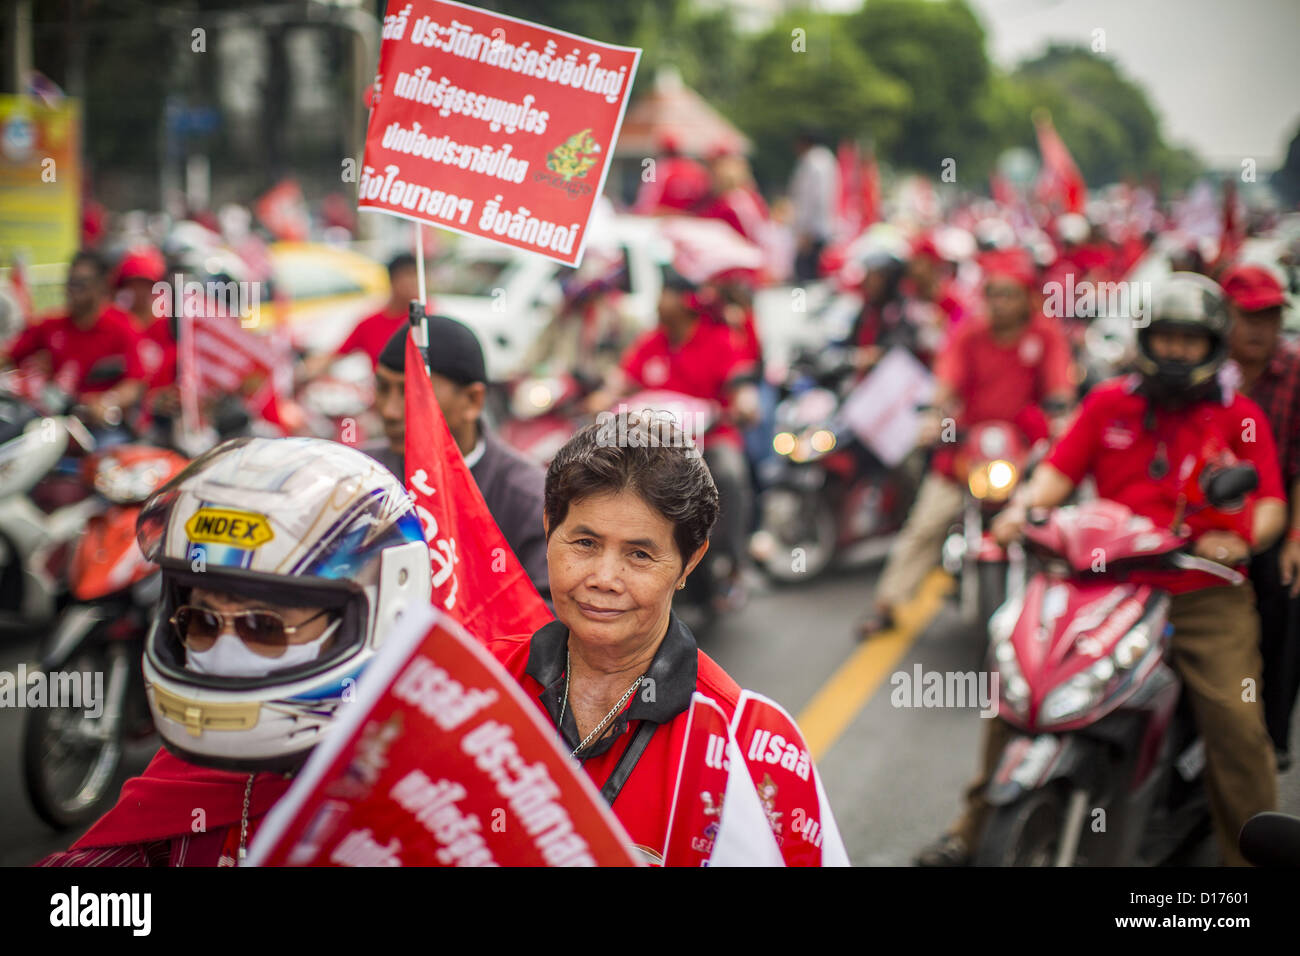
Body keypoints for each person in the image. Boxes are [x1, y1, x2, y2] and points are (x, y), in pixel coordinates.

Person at [915, 273, 1287, 867]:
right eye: (1166, 338)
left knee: (1238, 727)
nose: (1175, 351)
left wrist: (1236, 542)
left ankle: (1251, 859)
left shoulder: (1238, 417)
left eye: (1189, 342)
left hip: (1199, 589)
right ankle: (972, 826)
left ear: (1212, 345)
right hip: (1105, 581)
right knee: (1022, 680)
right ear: (1147, 339)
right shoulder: (1109, 402)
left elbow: (1268, 507)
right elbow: (1054, 476)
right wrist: (1021, 511)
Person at [37, 437, 431, 866]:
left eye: (264, 625)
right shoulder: (188, 775)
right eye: (200, 621)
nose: (225, 649)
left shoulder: (430, 807)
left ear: (379, 620)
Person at [486, 412, 816, 864]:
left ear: (690, 561)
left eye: (639, 554)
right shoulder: (478, 686)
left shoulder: (750, 745)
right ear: (548, 527)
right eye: (584, 543)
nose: (603, 578)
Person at [856, 249, 1075, 639]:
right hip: (967, 448)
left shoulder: (1046, 334)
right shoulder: (969, 333)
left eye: (1009, 294)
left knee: (1059, 518)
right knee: (927, 522)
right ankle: (885, 604)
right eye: (993, 294)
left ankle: (1067, 608)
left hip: (1025, 449)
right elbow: (946, 381)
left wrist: (1060, 417)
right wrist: (933, 417)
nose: (1000, 303)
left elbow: (1059, 386)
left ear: (1027, 297)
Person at [586, 268, 759, 610]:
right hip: (654, 443)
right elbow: (620, 381)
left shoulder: (721, 339)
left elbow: (743, 390)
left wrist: (745, 405)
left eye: (665, 293)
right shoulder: (652, 341)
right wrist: (599, 398)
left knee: (730, 475)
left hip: (710, 438)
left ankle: (734, 566)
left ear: (684, 301)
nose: (658, 301)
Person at [368, 320, 550, 603]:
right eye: (382, 388)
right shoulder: (363, 479)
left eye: (410, 393)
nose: (390, 411)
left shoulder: (528, 500)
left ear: (472, 400)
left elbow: (545, 620)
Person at [1222, 262, 1300, 770]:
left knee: (1290, 593)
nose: (1258, 329)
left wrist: (1295, 537)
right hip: (1201, 522)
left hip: (1275, 518)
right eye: (1248, 316)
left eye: (1269, 316)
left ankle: (1270, 737)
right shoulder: (1204, 369)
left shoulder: (1294, 372)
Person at [1, 249, 147, 427]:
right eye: (70, 282)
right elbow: (9, 356)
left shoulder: (123, 327)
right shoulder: (51, 325)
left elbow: (135, 384)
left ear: (101, 286)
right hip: (57, 421)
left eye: (81, 283)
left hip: (102, 426)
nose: (72, 290)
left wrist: (107, 401)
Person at [299, 252, 422, 380]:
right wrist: (304, 371)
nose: (415, 282)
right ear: (392, 279)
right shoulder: (371, 324)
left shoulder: (425, 320)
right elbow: (334, 356)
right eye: (409, 275)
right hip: (383, 395)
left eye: (418, 276)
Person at [788, 131, 839, 281]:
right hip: (820, 228)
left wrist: (806, 230)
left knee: (807, 277)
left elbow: (813, 199)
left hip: (813, 231)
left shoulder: (814, 162)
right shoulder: (825, 160)